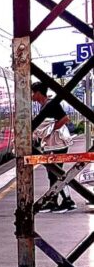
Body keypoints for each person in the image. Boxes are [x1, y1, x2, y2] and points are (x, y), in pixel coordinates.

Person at [31, 81, 77, 212]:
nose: (31, 95)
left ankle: (68, 201)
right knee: (53, 173)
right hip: (52, 144)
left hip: (58, 143)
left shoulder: (52, 104)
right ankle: (53, 201)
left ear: (38, 93)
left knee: (56, 173)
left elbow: (65, 119)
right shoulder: (45, 105)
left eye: (32, 92)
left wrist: (52, 129)